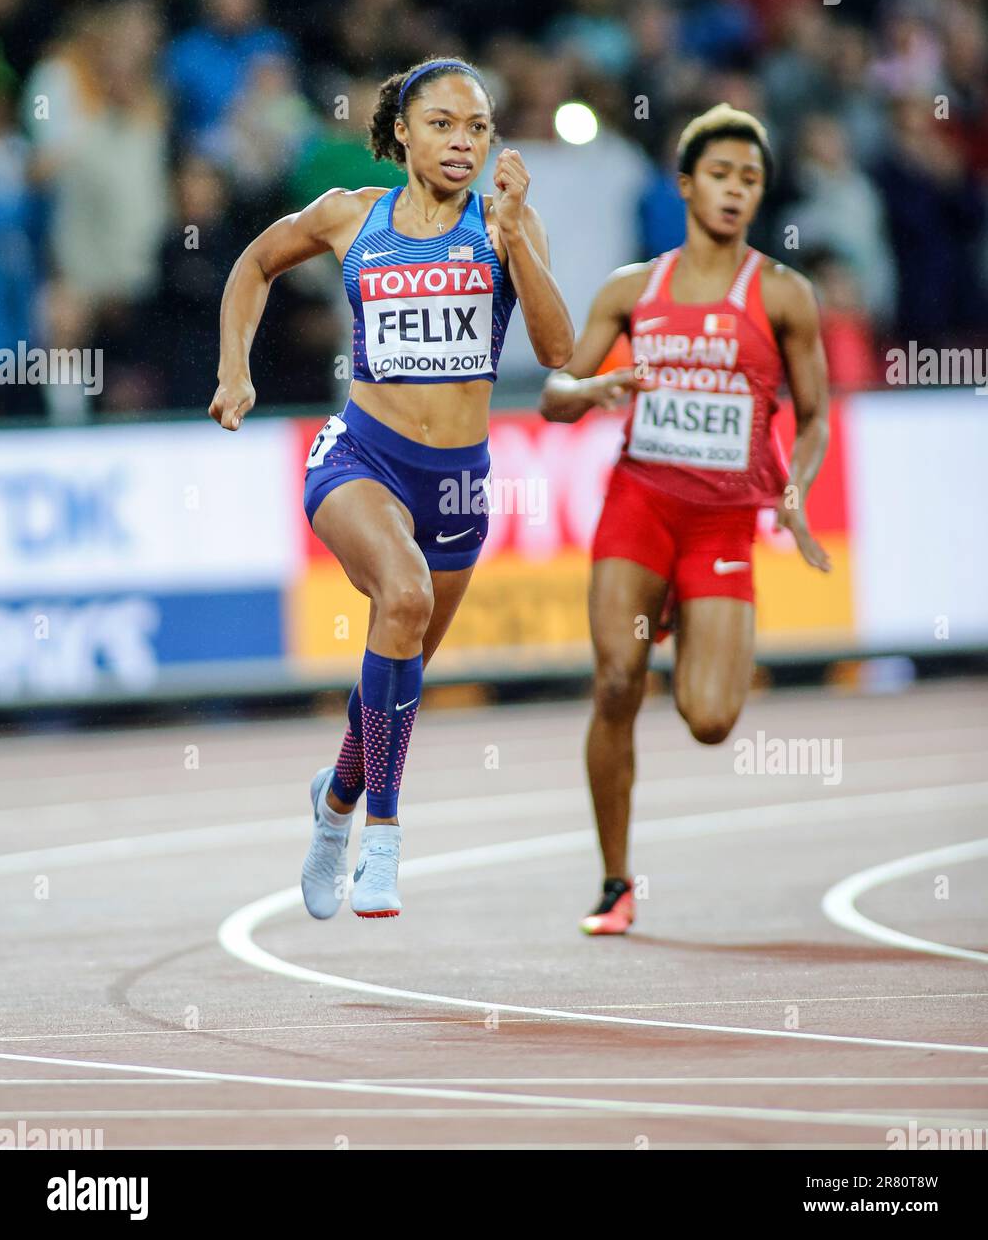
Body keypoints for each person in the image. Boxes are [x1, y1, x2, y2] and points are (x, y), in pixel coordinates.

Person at [210, 57, 572, 918]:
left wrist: (518, 241)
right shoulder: (349, 217)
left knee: (398, 668)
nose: (461, 142)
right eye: (442, 123)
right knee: (401, 595)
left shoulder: (504, 222)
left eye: (477, 128)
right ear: (401, 133)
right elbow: (252, 268)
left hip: (456, 485)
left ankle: (333, 803)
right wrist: (236, 372)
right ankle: (382, 837)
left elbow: (559, 353)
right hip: (360, 460)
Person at [540, 104, 830, 935]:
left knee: (709, 721)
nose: (735, 191)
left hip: (722, 522)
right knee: (614, 681)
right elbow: (557, 389)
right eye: (720, 175)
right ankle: (613, 881)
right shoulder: (633, 288)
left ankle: (687, 611)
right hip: (642, 504)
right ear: (685, 185)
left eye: (750, 179)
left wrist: (794, 489)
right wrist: (590, 390)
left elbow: (811, 417)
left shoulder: (783, 294)